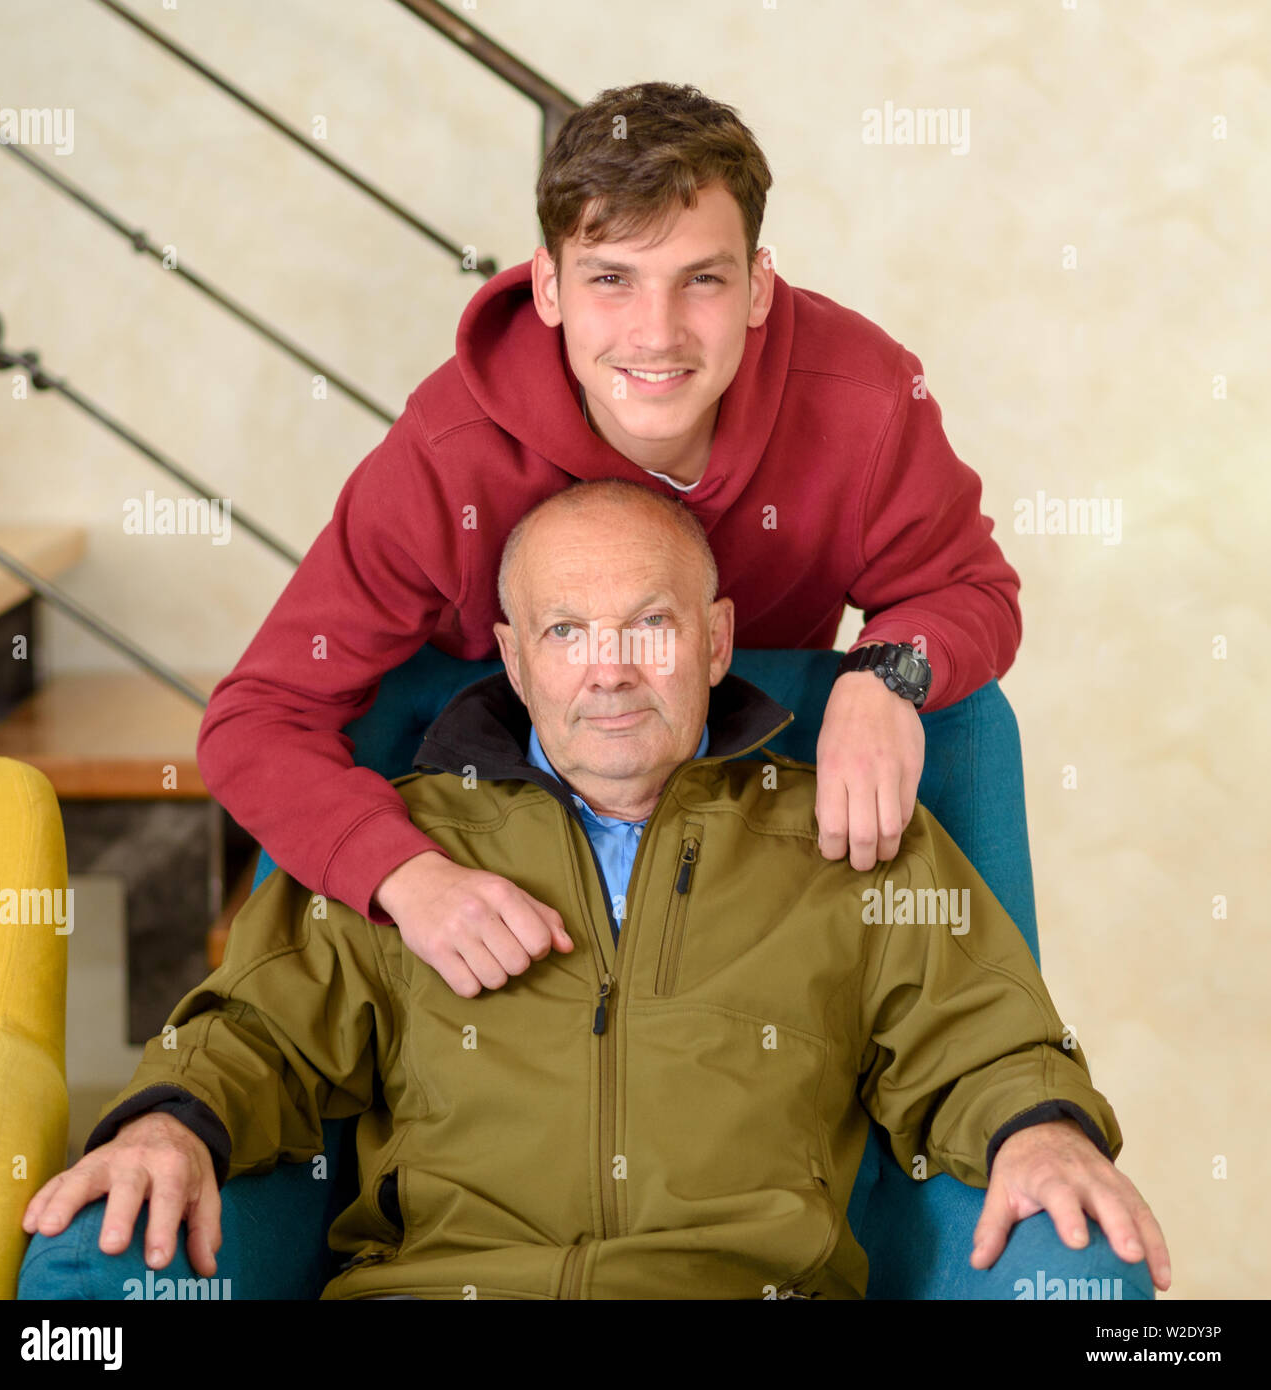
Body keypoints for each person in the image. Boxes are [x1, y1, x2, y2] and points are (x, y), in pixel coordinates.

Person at [24, 481, 1169, 1300]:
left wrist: (1042, 1128)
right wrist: (168, 1124)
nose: (608, 667)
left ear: (718, 641)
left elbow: (982, 1039)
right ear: (514, 661)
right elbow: (254, 1034)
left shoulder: (845, 831)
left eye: (649, 625)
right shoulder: (405, 844)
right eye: (566, 630)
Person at [195, 81, 1023, 997]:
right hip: (501, 787)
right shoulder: (447, 451)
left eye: (701, 279)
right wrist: (408, 878)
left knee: (953, 710)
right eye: (610, 279)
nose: (656, 334)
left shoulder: (863, 396)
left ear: (758, 287)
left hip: (738, 770)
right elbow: (259, 718)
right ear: (549, 287)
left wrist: (885, 676)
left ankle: (991, 1072)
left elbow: (971, 589)